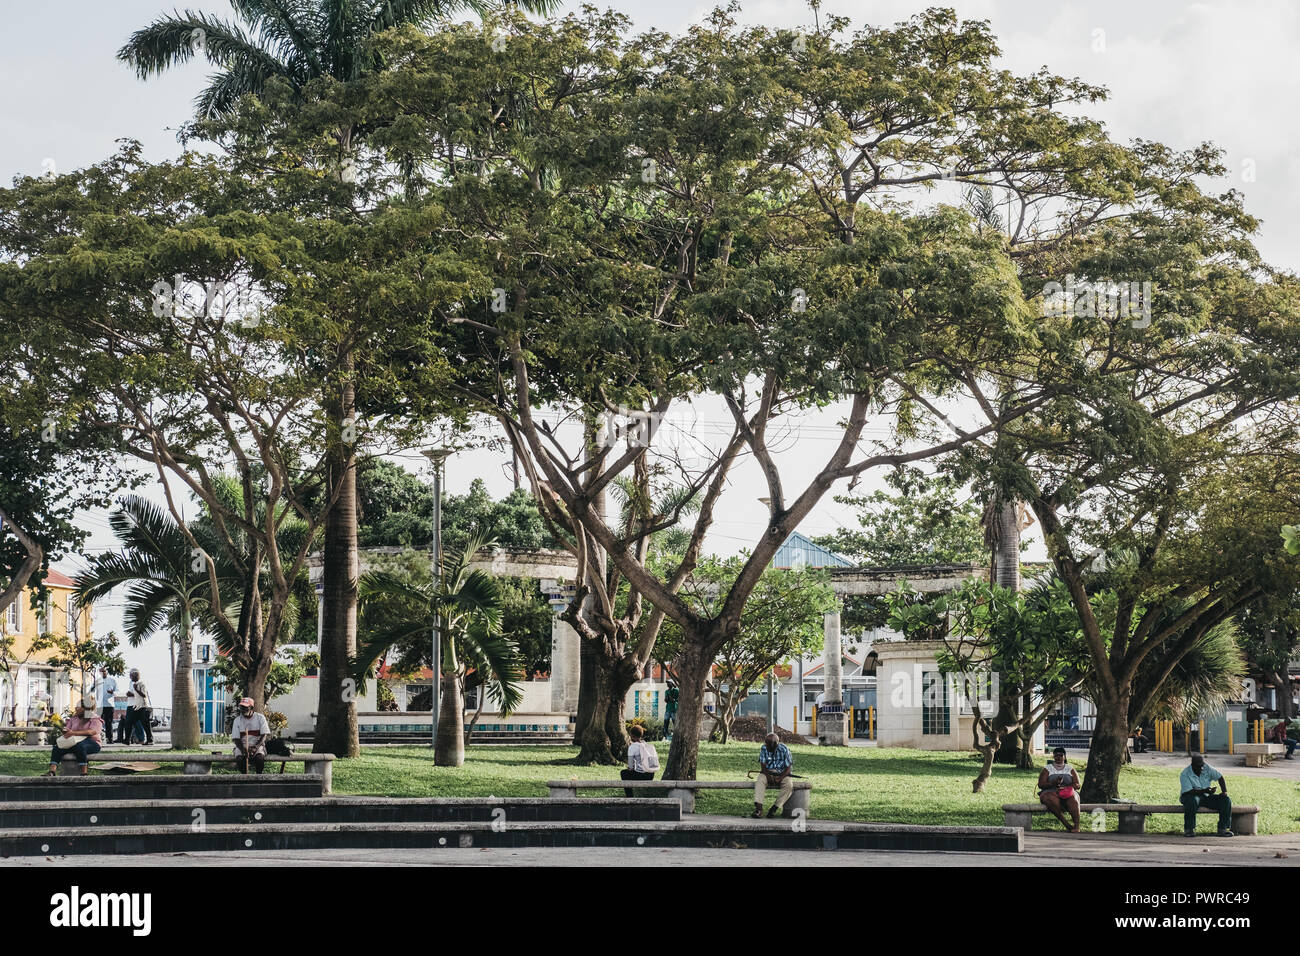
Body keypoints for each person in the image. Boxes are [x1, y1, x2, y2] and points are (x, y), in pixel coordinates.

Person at [45, 695, 103, 776]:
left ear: (85, 709)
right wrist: (63, 728)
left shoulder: (94, 719)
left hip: (92, 742)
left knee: (80, 746)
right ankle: (52, 771)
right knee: (57, 747)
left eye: (78, 707)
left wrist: (73, 733)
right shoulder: (74, 718)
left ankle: (84, 773)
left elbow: (91, 732)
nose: (76, 708)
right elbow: (67, 729)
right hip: (73, 742)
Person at [1180, 753, 1233, 837]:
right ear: (1192, 765)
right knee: (1192, 801)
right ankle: (1189, 829)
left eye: (1202, 765)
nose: (1201, 768)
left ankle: (1222, 829)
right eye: (1198, 766)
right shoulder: (1185, 773)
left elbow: (1220, 777)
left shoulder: (1207, 768)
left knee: (1226, 800)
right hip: (1190, 796)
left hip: (1206, 796)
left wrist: (1224, 792)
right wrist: (1205, 790)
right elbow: (1188, 791)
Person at [1037, 747, 1082, 833]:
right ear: (1053, 757)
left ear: (1064, 757)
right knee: (1048, 798)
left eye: (1061, 755)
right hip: (1051, 792)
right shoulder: (1047, 769)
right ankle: (1066, 823)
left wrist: (1067, 787)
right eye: (1056, 755)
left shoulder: (1070, 769)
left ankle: (1076, 825)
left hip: (1068, 792)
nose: (1058, 757)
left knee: (1074, 799)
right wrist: (1053, 783)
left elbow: (1077, 784)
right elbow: (1041, 784)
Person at [753, 732, 794, 819]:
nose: (766, 747)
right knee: (760, 782)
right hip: (767, 772)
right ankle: (759, 809)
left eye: (769, 746)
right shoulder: (764, 748)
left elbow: (788, 768)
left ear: (775, 744)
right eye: (766, 744)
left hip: (782, 773)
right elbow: (763, 766)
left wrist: (780, 778)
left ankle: (774, 808)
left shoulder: (784, 749)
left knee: (789, 786)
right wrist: (768, 776)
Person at [231, 697, 271, 774]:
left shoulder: (260, 718)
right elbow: (236, 739)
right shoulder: (237, 720)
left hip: (257, 745)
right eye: (241, 707)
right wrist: (243, 750)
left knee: (260, 758)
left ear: (251, 707)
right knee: (239, 759)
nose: (243, 709)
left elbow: (264, 735)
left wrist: (255, 747)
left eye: (245, 707)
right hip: (242, 745)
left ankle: (258, 777)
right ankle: (245, 777)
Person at [621, 724, 660, 796]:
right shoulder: (647, 745)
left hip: (641, 776)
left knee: (623, 773)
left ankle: (629, 796)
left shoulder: (632, 747)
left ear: (632, 735)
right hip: (651, 775)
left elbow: (630, 767)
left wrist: (631, 768)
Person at [123, 668, 154, 745]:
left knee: (145, 724)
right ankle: (127, 740)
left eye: (131, 675)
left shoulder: (141, 683)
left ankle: (150, 740)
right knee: (128, 722)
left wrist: (136, 691)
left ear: (136, 675)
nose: (130, 677)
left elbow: (144, 695)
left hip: (142, 706)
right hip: (135, 706)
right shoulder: (132, 683)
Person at [95, 667, 117, 744]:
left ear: (107, 672)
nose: (103, 673)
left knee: (108, 722)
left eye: (104, 671)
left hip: (109, 705)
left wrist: (112, 692)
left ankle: (109, 739)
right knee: (97, 722)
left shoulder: (112, 681)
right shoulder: (97, 681)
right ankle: (97, 739)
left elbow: (117, 691)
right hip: (99, 705)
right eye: (101, 671)